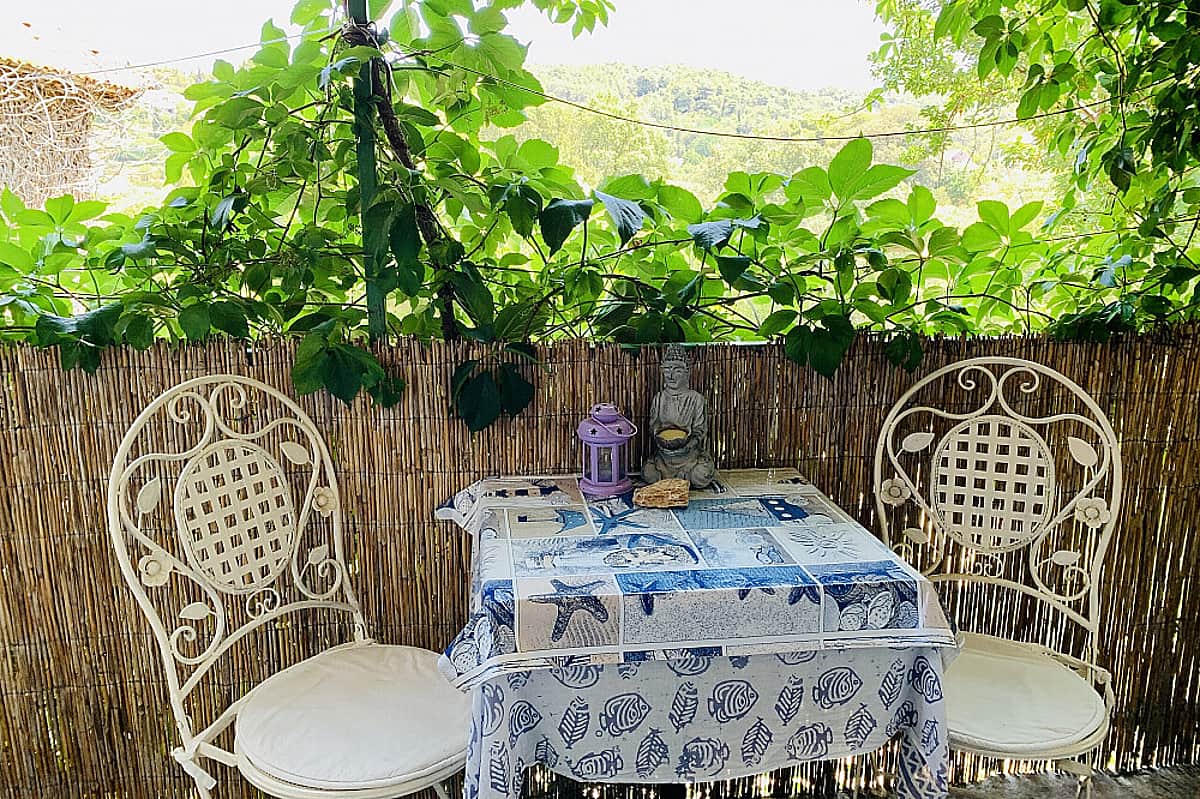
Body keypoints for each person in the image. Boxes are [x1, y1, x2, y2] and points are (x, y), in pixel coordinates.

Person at [642, 345, 716, 488]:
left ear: (687, 373)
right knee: (648, 473)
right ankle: (675, 479)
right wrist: (660, 437)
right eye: (667, 370)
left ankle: (685, 477)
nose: (671, 375)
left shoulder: (696, 399)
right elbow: (653, 425)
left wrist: (688, 444)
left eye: (677, 370)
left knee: (701, 475)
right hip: (664, 457)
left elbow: (700, 430)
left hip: (690, 457)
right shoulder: (659, 398)